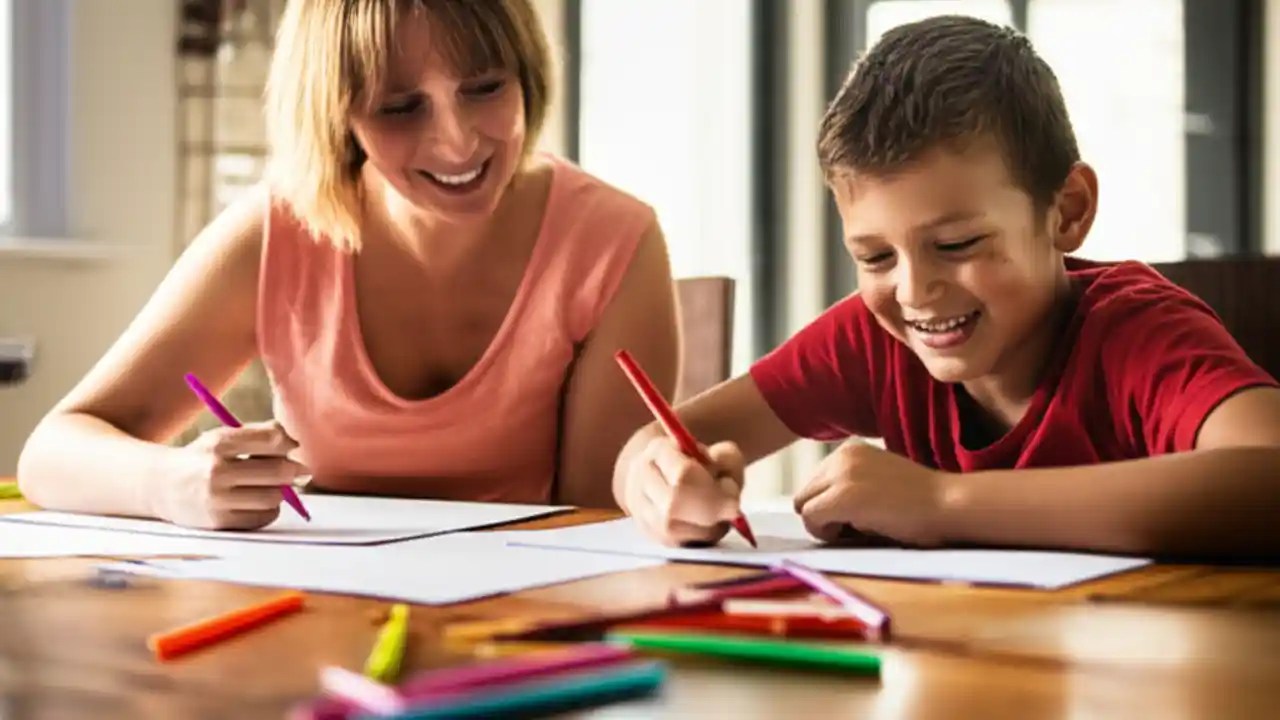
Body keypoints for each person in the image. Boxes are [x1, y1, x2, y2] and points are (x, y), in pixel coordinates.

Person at [614, 15, 1280, 561]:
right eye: (874, 256)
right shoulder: (873, 339)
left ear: (1067, 210)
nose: (915, 291)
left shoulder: (1136, 334)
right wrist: (667, 485)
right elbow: (649, 447)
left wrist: (940, 503)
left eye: (957, 245)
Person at [18, 0, 679, 530]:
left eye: (485, 87)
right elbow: (51, 452)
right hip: (318, 626)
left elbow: (598, 525)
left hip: (519, 634)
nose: (457, 139)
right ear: (337, 118)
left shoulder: (614, 241)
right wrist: (170, 483)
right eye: (400, 106)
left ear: (526, 77)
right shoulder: (276, 232)